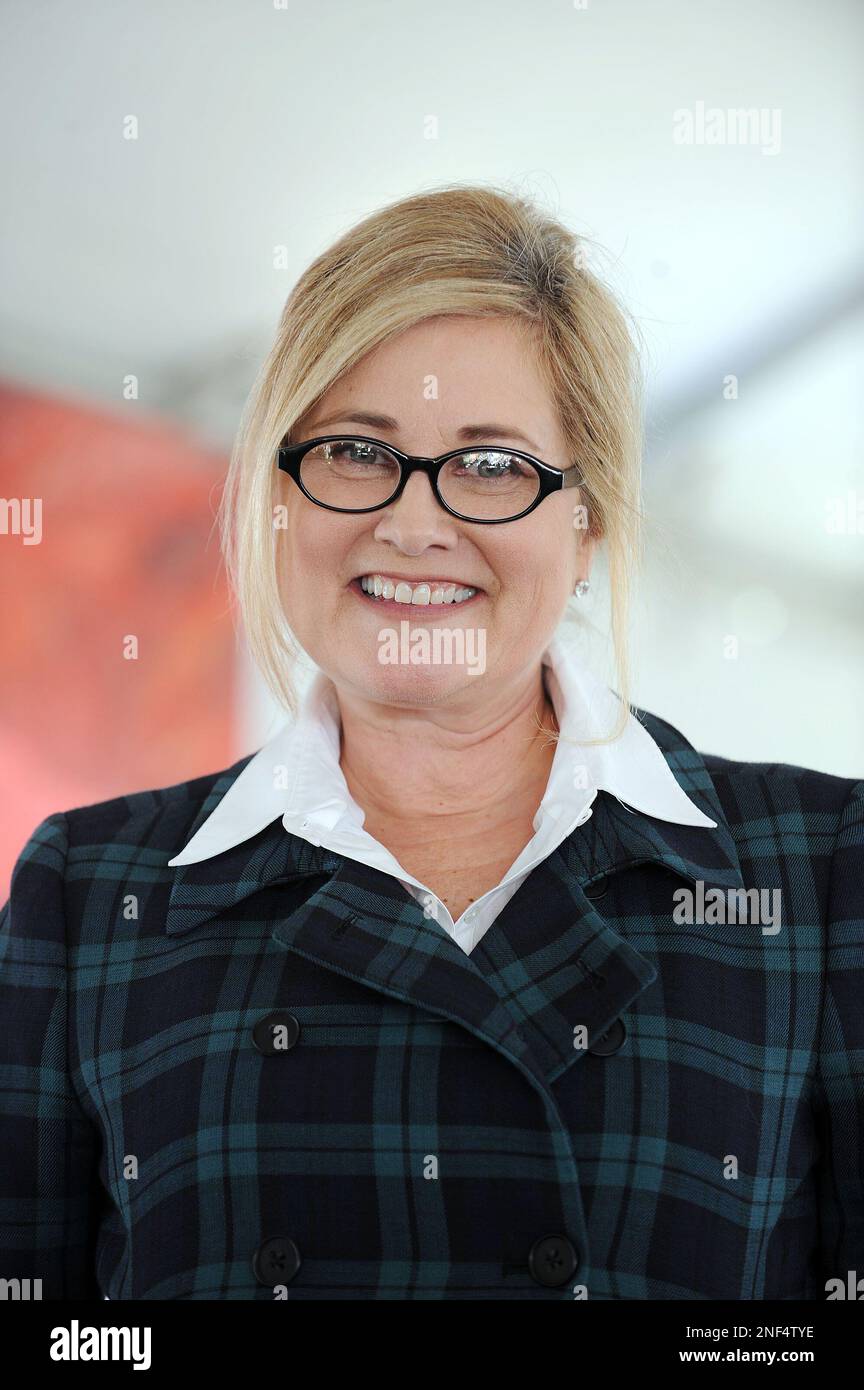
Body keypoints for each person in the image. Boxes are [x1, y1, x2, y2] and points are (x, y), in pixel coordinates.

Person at [1, 184, 861, 1301]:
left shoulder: (822, 867)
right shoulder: (89, 890)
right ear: (279, 494)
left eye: (493, 465)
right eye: (357, 450)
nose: (414, 521)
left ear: (587, 517)